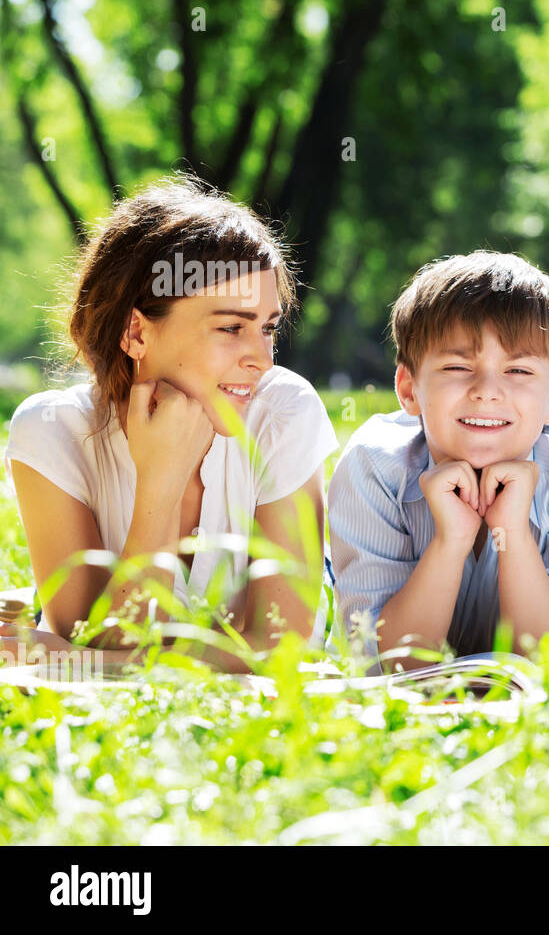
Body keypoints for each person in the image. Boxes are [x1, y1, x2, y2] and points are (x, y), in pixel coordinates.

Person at [3, 177, 337, 667]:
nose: (262, 360)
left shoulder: (283, 413)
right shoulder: (52, 430)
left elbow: (283, 648)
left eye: (267, 328)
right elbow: (93, 642)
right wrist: (158, 481)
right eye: (230, 327)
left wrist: (77, 656)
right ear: (136, 331)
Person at [328, 251, 549, 671]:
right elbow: (382, 666)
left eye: (519, 371)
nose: (487, 390)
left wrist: (512, 534)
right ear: (409, 388)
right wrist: (449, 543)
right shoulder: (373, 466)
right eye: (456, 366)